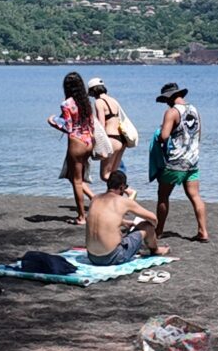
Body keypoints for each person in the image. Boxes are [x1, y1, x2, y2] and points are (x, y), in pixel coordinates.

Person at [149, 81, 207, 242]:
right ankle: (203, 231)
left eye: (166, 100)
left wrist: (160, 133)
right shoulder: (195, 110)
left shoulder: (172, 112)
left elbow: (164, 136)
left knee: (163, 195)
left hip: (176, 161)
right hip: (193, 160)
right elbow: (198, 135)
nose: (166, 103)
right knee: (195, 196)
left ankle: (159, 230)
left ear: (169, 98)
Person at [47, 71, 98, 223]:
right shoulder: (86, 103)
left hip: (76, 142)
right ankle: (93, 198)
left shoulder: (67, 104)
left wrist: (52, 120)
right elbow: (91, 124)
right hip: (88, 141)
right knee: (76, 177)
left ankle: (82, 216)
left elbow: (68, 127)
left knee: (76, 180)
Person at [86, 169, 161, 266]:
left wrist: (123, 222)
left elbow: (103, 218)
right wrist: (152, 231)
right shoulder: (123, 201)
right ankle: (156, 250)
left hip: (92, 257)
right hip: (113, 257)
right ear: (122, 187)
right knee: (147, 226)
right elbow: (153, 218)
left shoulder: (95, 198)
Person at [86, 77, 135, 181]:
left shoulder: (99, 102)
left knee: (105, 176)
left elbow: (101, 126)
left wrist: (94, 141)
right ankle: (117, 196)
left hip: (111, 139)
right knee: (113, 174)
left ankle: (128, 190)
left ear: (93, 91)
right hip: (121, 140)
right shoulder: (114, 101)